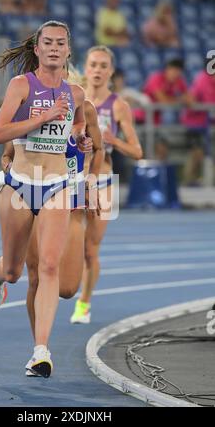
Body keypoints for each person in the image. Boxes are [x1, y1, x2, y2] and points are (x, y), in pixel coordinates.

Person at [0, 20, 92, 378]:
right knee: (16, 272)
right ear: (37, 48)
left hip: (57, 186)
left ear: (67, 50)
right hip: (18, 186)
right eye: (47, 42)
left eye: (60, 43)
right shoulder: (20, 86)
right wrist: (42, 117)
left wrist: (81, 140)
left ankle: (41, 351)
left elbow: (76, 128)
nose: (54, 48)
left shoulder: (76, 94)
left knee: (48, 266)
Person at [0, 66, 103, 376]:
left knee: (68, 287)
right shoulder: (27, 100)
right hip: (32, 190)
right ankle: (40, 349)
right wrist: (10, 170)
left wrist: (91, 181)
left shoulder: (83, 106)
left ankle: (41, 346)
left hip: (69, 198)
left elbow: (95, 147)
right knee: (31, 273)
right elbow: (6, 153)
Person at [70, 46, 143, 324]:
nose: (98, 70)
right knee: (67, 240)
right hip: (75, 177)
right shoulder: (74, 96)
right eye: (93, 65)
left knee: (91, 249)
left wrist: (113, 141)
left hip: (103, 180)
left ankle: (84, 303)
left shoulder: (118, 106)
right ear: (86, 68)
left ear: (111, 71)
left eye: (103, 66)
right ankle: (62, 283)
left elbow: (137, 151)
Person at [182, 67, 215, 185]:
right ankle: (189, 183)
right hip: (195, 125)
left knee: (206, 157)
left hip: (210, 127)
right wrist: (191, 100)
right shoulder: (202, 79)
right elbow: (190, 98)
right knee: (197, 155)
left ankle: (206, 183)